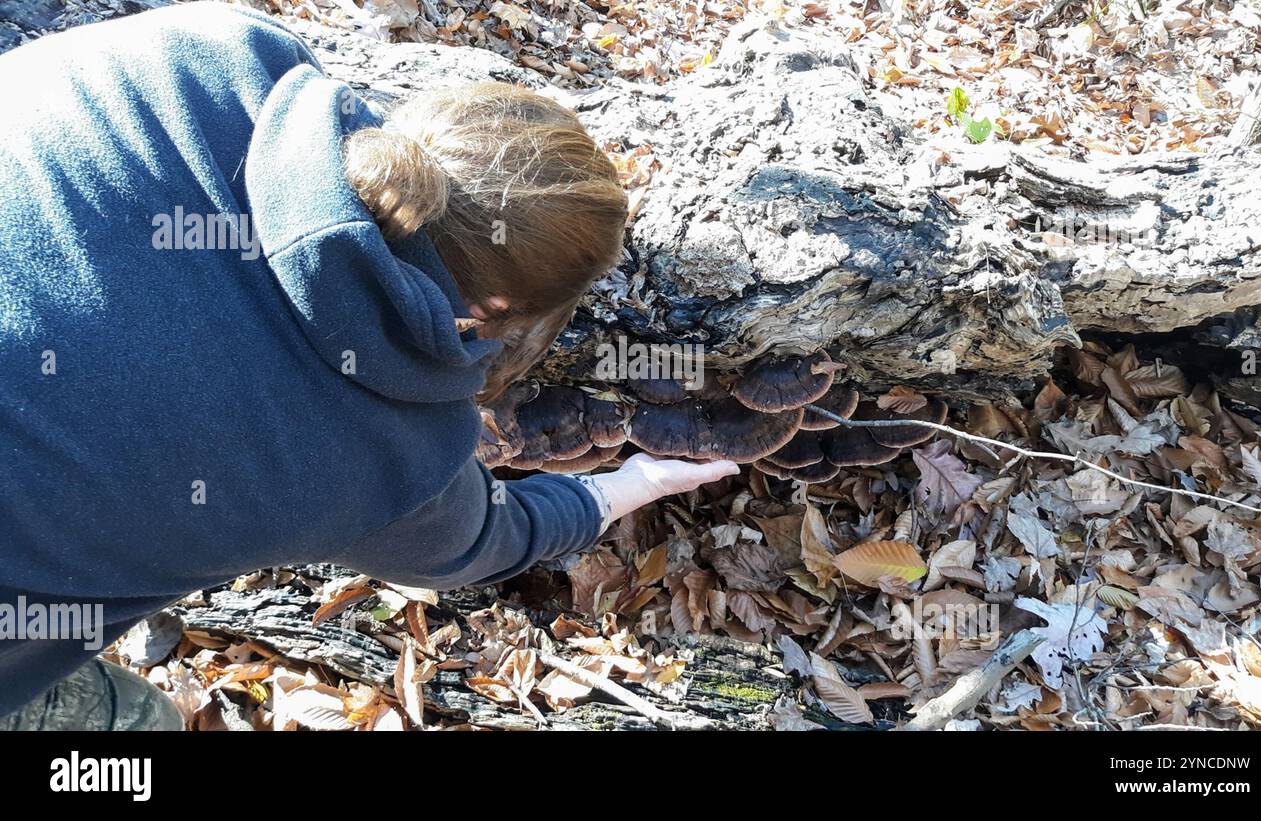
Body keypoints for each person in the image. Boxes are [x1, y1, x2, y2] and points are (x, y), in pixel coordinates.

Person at [0, 2, 737, 729]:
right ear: (499, 304)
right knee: (139, 728)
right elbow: (478, 542)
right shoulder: (387, 459)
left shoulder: (214, 45)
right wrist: (623, 487)